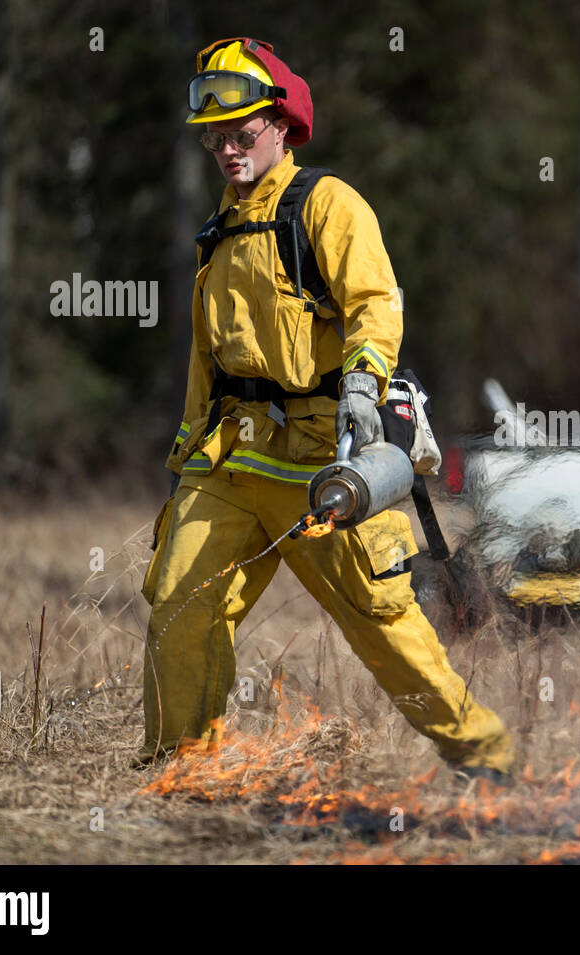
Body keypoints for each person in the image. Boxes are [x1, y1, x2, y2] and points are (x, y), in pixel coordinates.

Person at [138, 38, 513, 780]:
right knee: (179, 604)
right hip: (231, 461)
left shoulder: (327, 205)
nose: (226, 147)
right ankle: (181, 775)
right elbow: (205, 360)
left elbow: (377, 304)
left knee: (386, 628)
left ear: (280, 125)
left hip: (322, 463)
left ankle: (487, 758)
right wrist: (186, 452)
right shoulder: (219, 232)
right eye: (215, 136)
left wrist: (364, 386)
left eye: (241, 131)